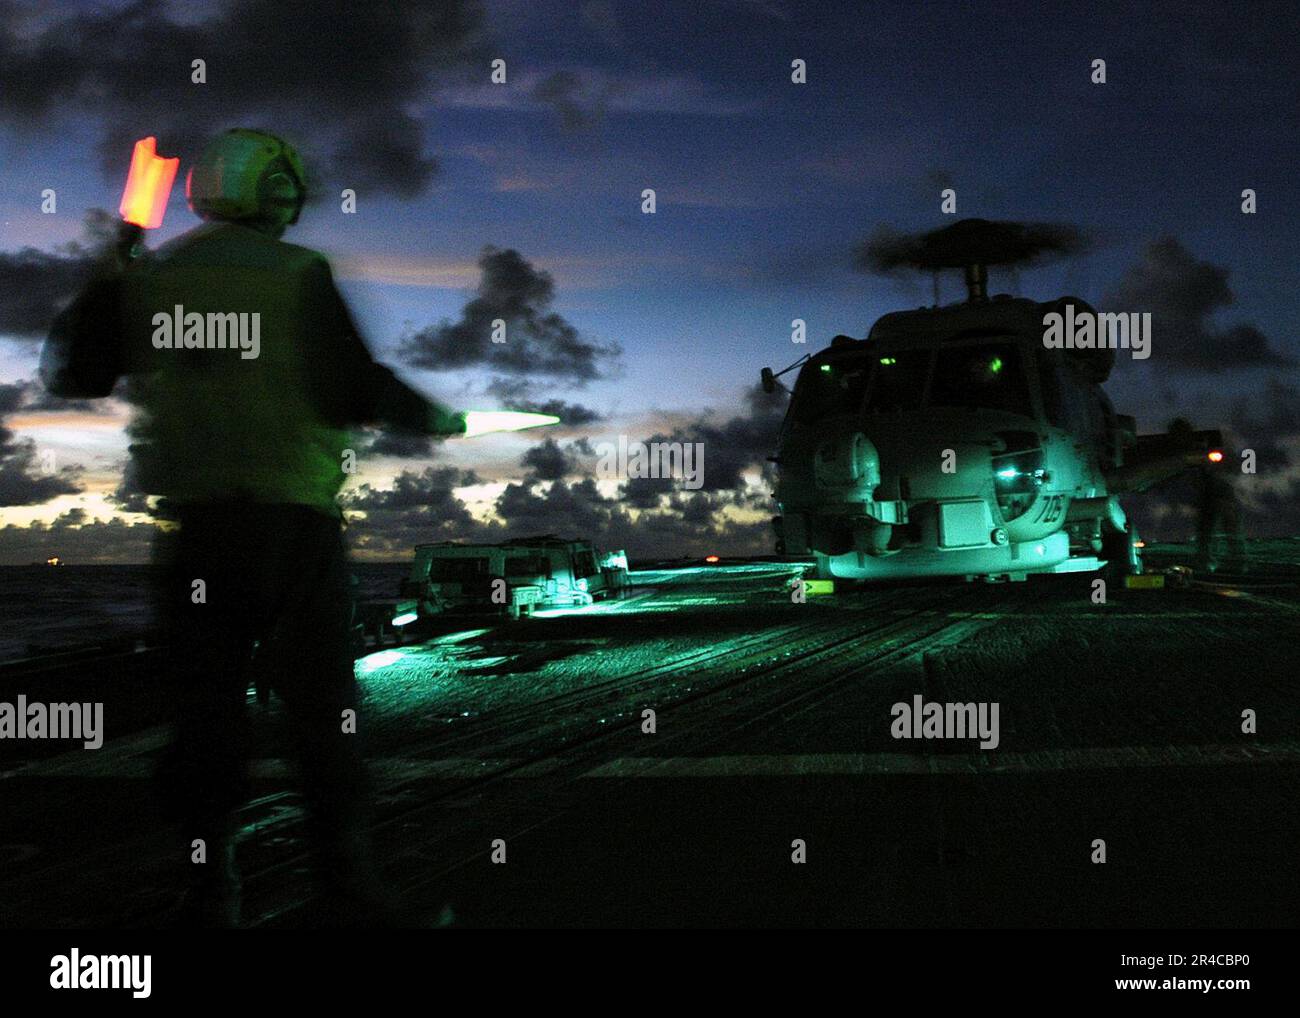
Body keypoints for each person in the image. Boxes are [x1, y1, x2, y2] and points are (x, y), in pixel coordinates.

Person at [40, 128, 465, 927]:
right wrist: (432, 415)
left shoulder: (156, 277)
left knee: (205, 719)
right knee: (323, 714)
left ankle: (209, 892)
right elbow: (351, 386)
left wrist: (123, 247)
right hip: (293, 529)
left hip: (197, 534)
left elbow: (77, 368)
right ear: (276, 190)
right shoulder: (298, 273)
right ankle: (351, 892)